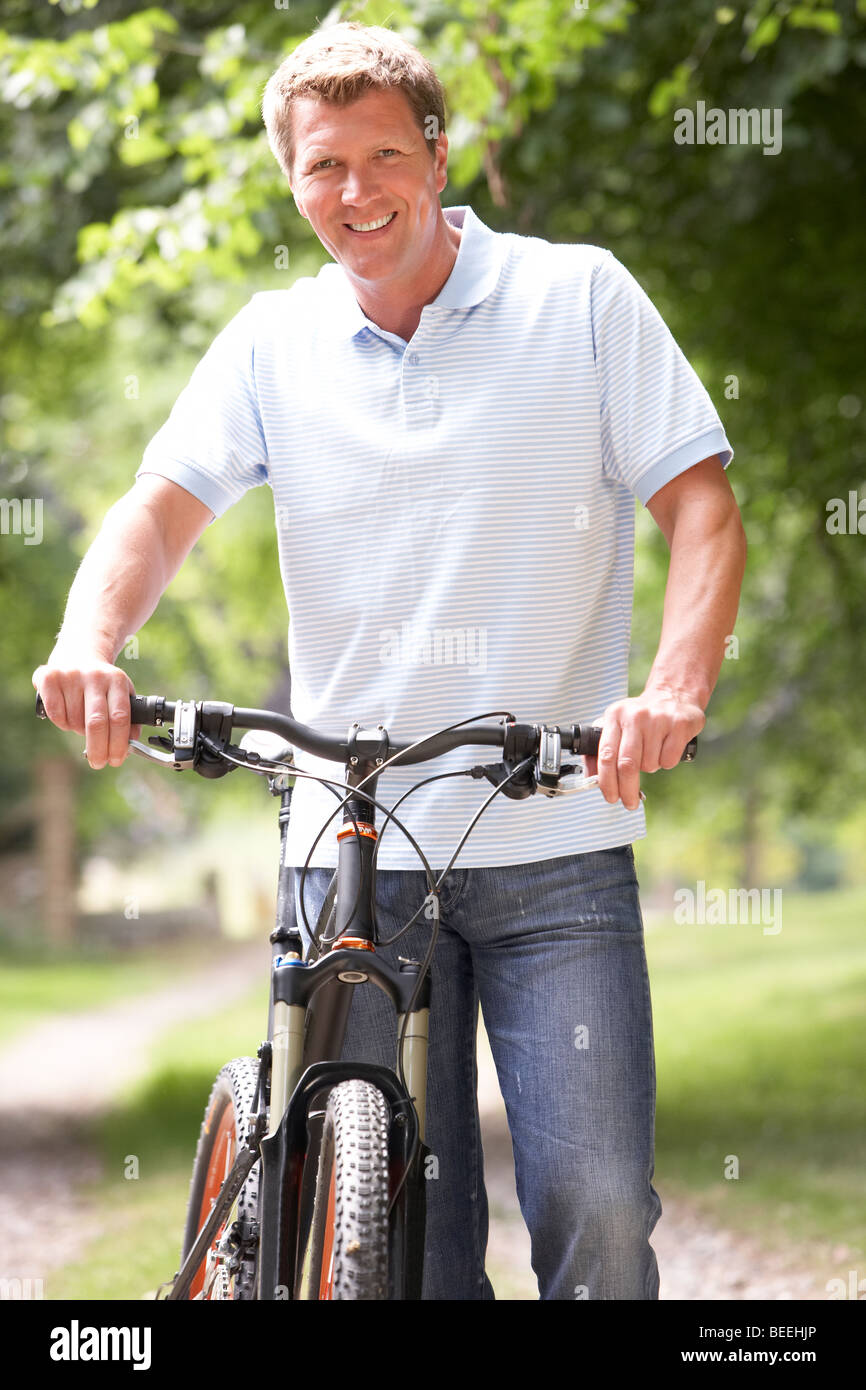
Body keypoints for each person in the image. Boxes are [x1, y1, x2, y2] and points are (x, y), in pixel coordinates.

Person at [33, 21, 746, 1299]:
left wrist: (674, 687)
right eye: (321, 167)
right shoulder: (268, 343)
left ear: (436, 148)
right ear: (290, 179)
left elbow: (699, 505)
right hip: (350, 851)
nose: (354, 193)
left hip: (554, 843)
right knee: (397, 1247)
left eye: (379, 155)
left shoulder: (576, 297)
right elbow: (153, 512)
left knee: (591, 1206)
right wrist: (89, 642)